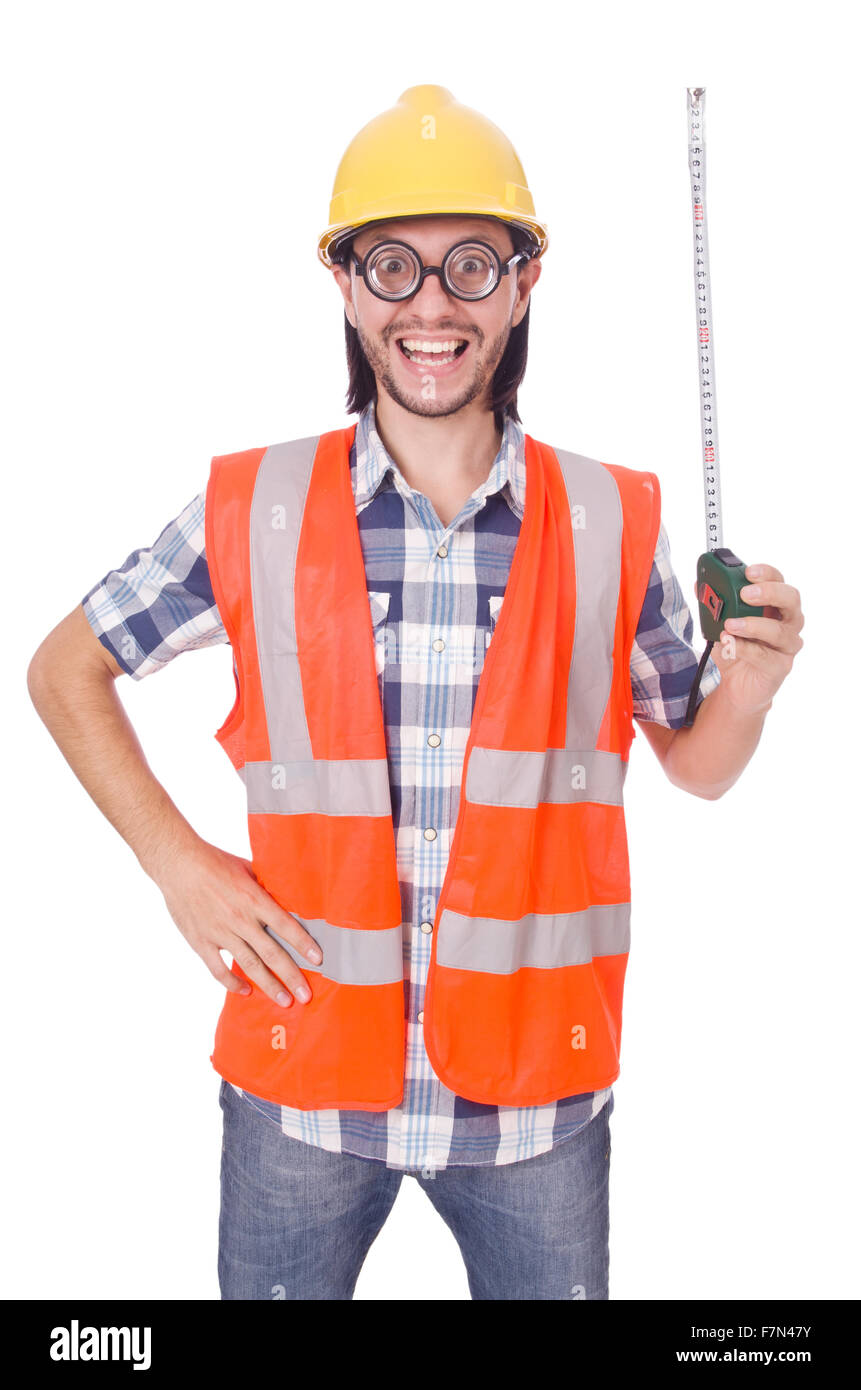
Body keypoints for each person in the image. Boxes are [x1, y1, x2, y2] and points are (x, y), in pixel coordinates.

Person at [27, 85, 804, 1301]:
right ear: (344, 284)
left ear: (523, 283)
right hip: (303, 1086)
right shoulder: (257, 506)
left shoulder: (607, 517)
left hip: (535, 1103)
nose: (431, 305)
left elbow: (697, 764)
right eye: (392, 266)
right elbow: (64, 666)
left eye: (471, 266)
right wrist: (178, 866)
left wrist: (748, 683)